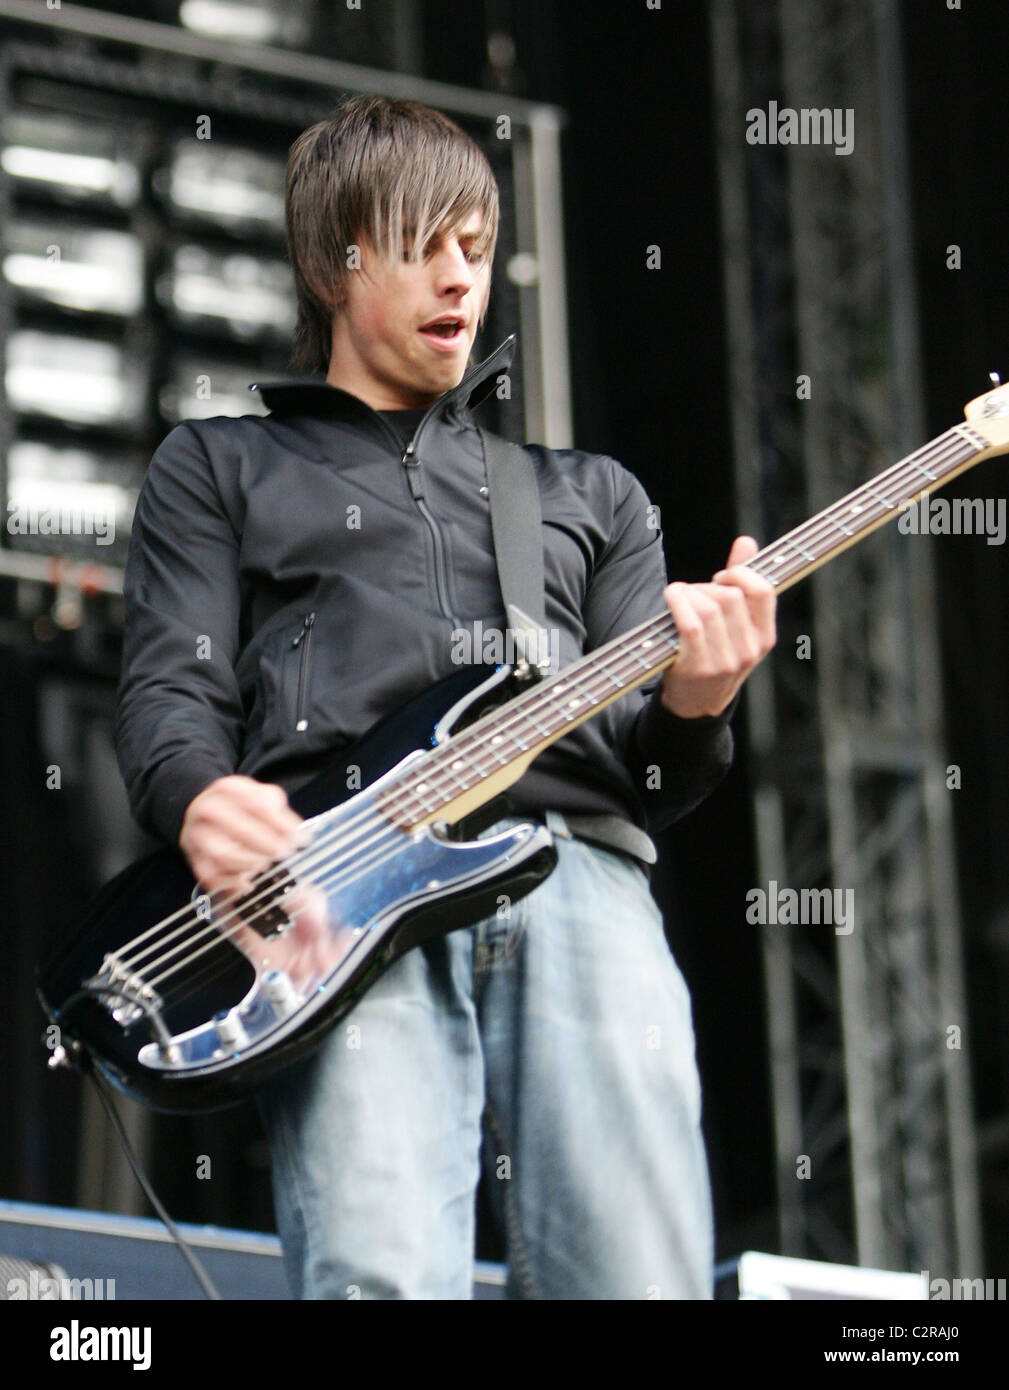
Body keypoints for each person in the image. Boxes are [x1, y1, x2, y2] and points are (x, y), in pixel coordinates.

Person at [115, 95, 776, 1300]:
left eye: (475, 248)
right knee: (376, 1270)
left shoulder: (590, 496)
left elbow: (651, 777)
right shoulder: (217, 465)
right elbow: (171, 689)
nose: (459, 280)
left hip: (576, 871)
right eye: (424, 246)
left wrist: (700, 696)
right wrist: (200, 797)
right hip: (338, 885)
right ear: (335, 261)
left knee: (635, 1274)